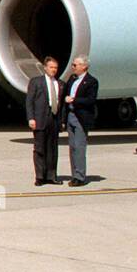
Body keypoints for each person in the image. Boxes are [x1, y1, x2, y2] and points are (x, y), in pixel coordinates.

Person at [25, 56, 63, 185]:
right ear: (45, 68)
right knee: (40, 148)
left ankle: (52, 176)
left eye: (55, 68)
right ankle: (40, 176)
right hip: (40, 119)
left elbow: (61, 104)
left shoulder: (59, 83)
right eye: (51, 67)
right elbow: (29, 101)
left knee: (53, 149)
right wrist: (31, 118)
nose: (53, 70)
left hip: (54, 119)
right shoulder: (36, 82)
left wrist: (62, 120)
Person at [62, 56, 98, 186]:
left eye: (75, 65)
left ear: (84, 66)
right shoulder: (72, 80)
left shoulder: (91, 81)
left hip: (81, 117)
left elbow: (90, 100)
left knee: (79, 147)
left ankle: (80, 176)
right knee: (72, 147)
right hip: (70, 115)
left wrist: (74, 100)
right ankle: (74, 174)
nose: (73, 67)